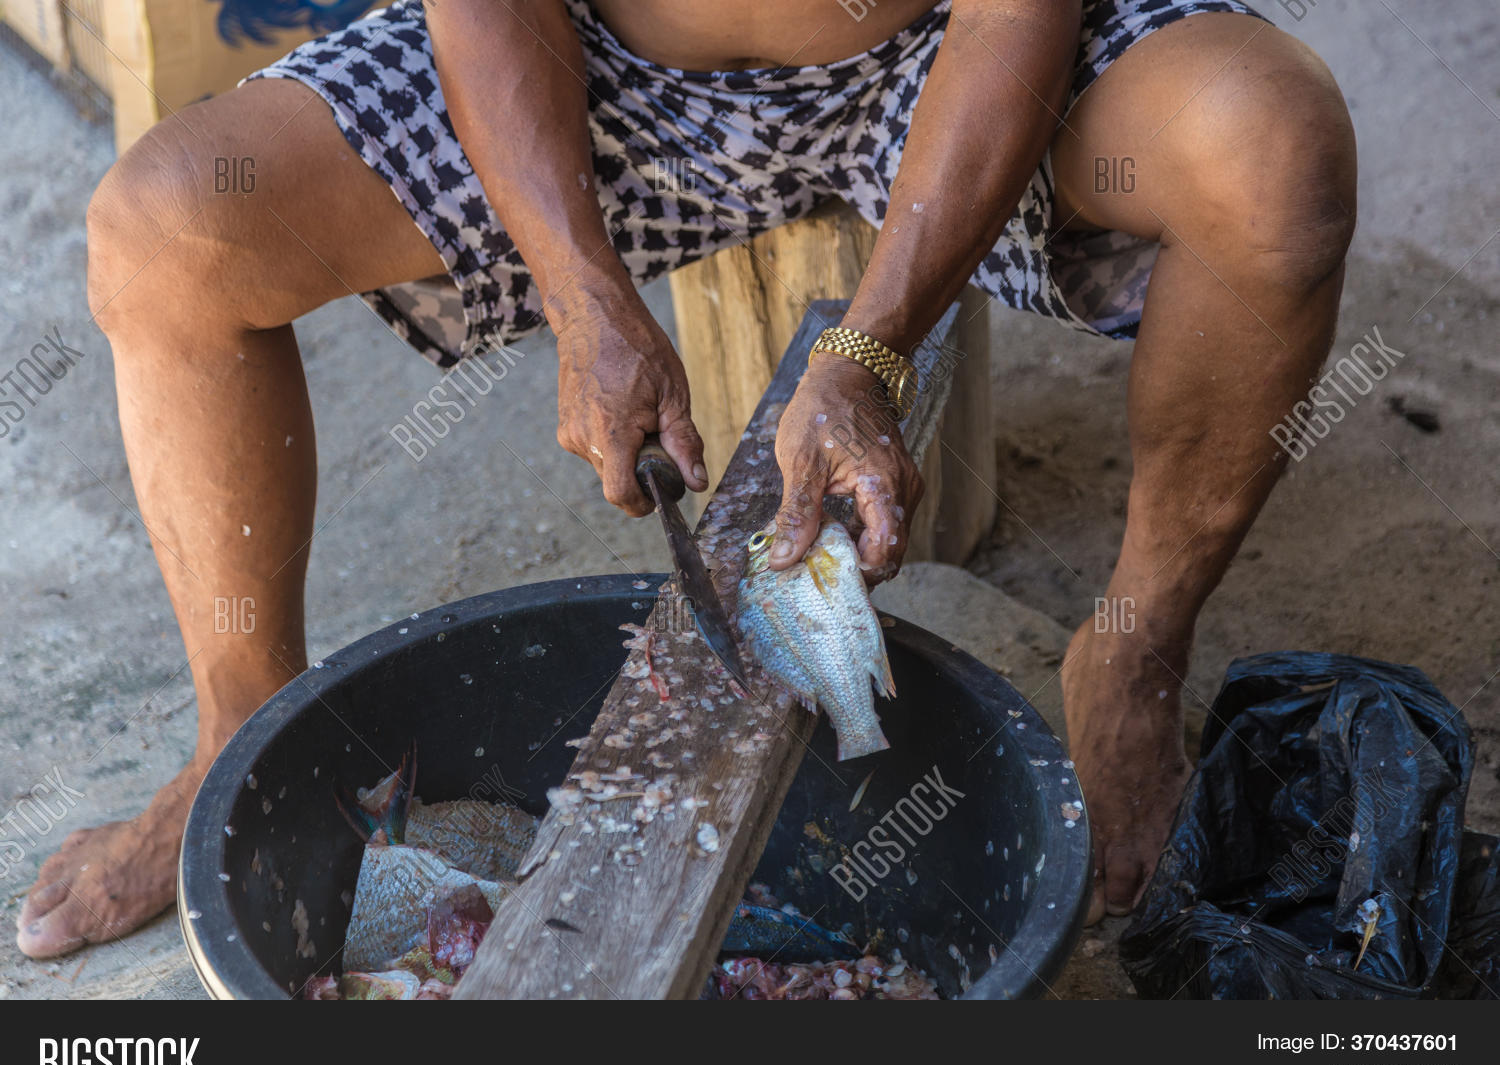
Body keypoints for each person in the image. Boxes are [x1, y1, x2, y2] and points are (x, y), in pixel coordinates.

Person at [17, 0, 1356, 958]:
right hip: (605, 66)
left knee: (1273, 153)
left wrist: (865, 353)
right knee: (170, 226)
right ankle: (237, 736)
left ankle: (1130, 655)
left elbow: (1016, 16)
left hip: (946, 53)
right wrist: (586, 299)